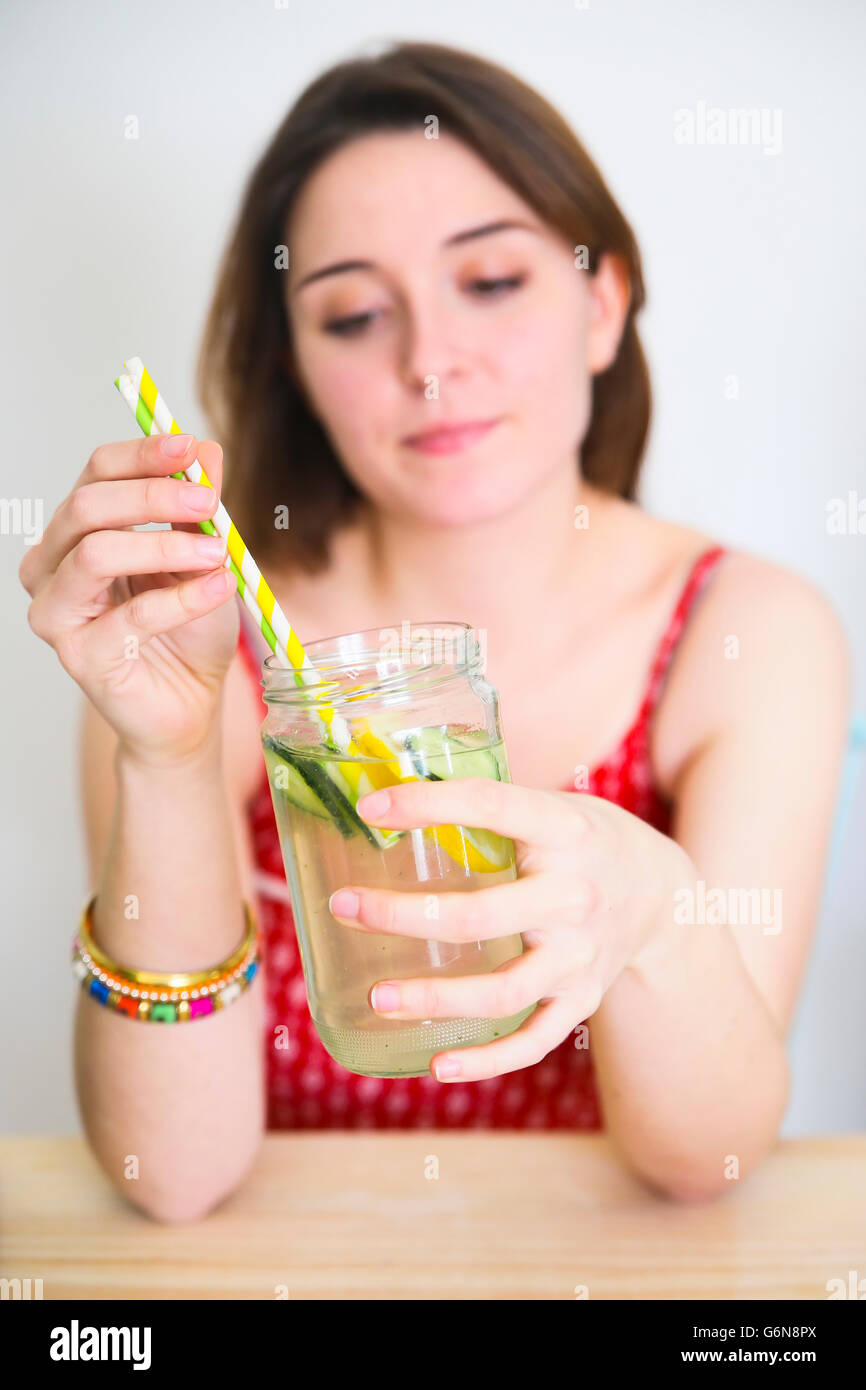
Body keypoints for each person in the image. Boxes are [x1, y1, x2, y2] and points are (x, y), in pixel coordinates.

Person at [20, 41, 851, 1222]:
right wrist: (166, 756)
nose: (429, 363)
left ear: (601, 305)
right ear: (296, 367)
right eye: (353, 314)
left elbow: (703, 1162)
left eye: (493, 282)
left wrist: (653, 910)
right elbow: (174, 1178)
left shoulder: (746, 631)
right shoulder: (195, 637)